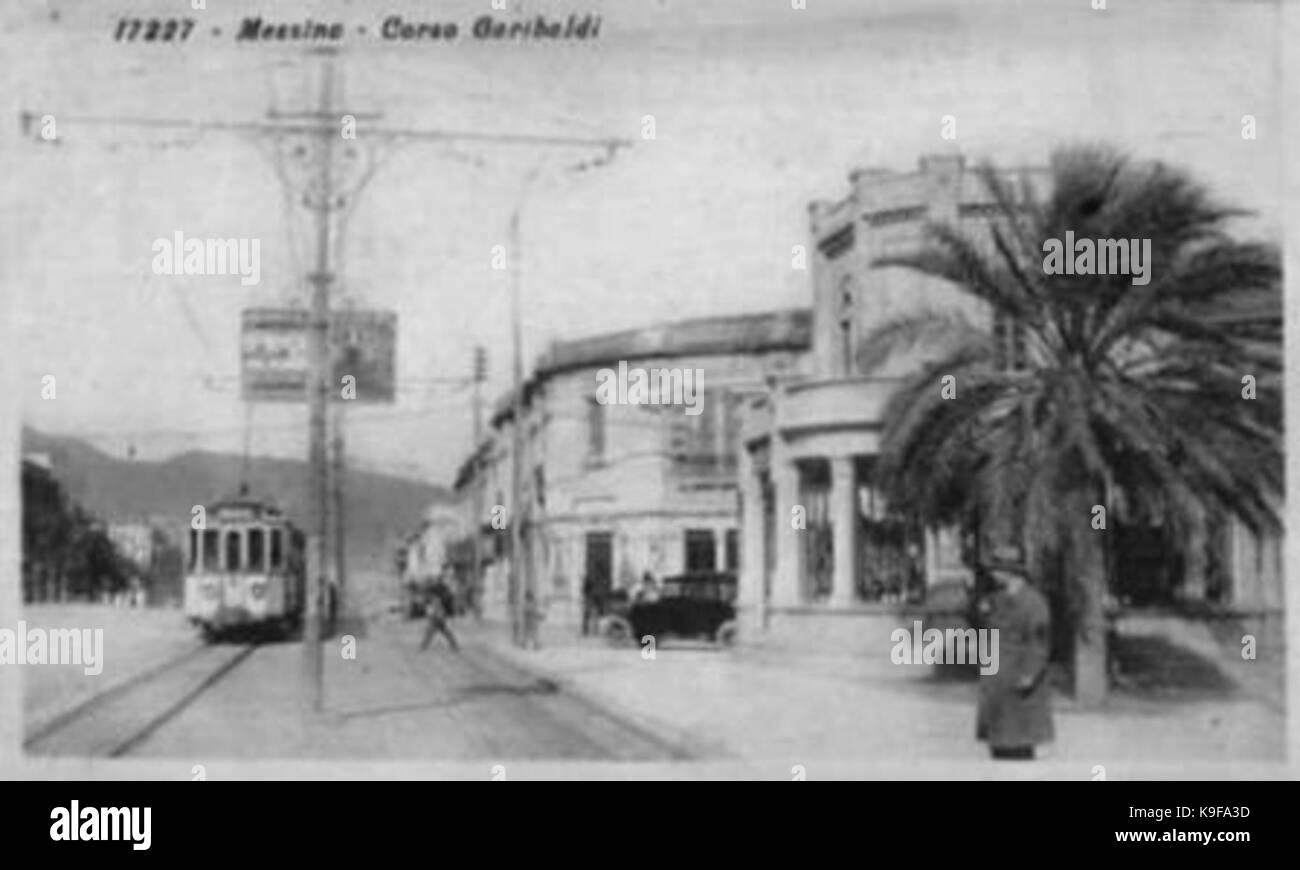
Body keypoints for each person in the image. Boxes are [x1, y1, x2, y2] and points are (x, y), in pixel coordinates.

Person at [975, 544, 1053, 760]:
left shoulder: (1033, 602)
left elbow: (1039, 642)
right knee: (998, 746)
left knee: (1019, 747)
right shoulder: (995, 600)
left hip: (1019, 682)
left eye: (997, 569)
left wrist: (1029, 674)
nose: (993, 573)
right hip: (996, 683)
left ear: (1012, 573)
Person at [419, 577, 459, 653]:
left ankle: (424, 645)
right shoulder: (435, 597)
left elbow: (437, 609)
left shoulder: (435, 599)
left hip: (438, 617)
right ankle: (454, 644)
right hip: (438, 617)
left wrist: (436, 616)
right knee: (443, 631)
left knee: (432, 631)